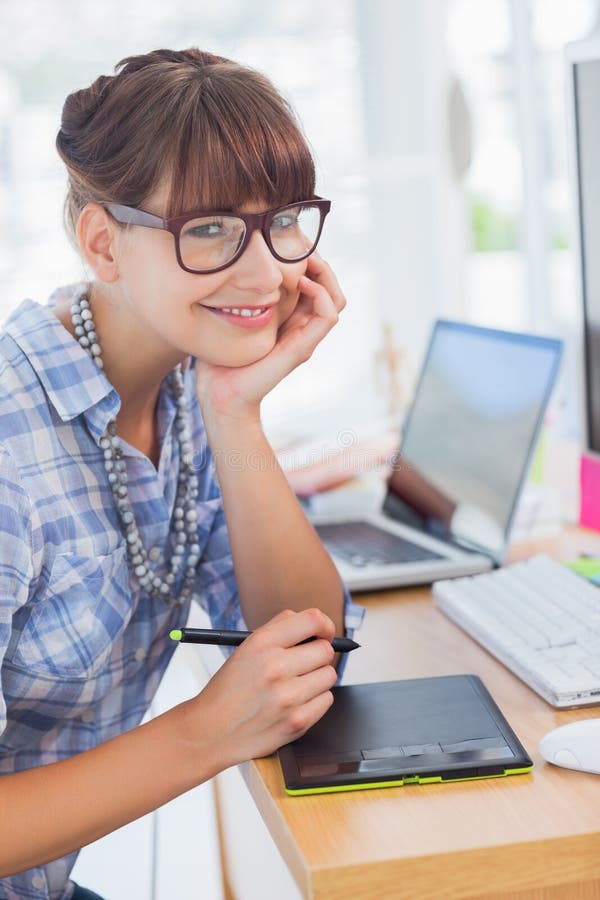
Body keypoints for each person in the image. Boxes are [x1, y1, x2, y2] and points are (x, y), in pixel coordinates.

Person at [0, 48, 363, 900]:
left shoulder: (183, 385)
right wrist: (205, 731)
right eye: (208, 229)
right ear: (104, 243)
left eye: (282, 221)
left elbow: (310, 646)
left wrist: (236, 413)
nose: (268, 271)